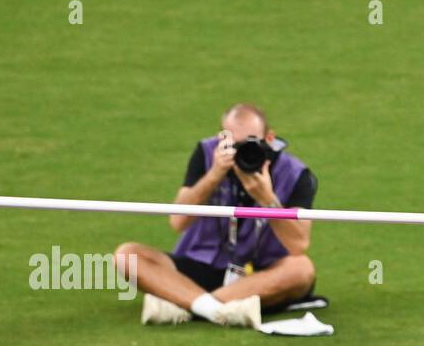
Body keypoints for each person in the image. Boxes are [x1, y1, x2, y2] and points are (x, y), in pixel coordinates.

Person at [114, 103, 323, 328]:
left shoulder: (296, 173)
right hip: (202, 263)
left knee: (301, 269)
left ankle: (186, 302)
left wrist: (267, 200)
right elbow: (177, 221)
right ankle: (219, 309)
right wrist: (213, 175)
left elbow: (298, 244)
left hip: (261, 273)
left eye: (250, 144)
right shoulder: (207, 154)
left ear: (269, 139)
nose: (241, 152)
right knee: (128, 256)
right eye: (232, 143)